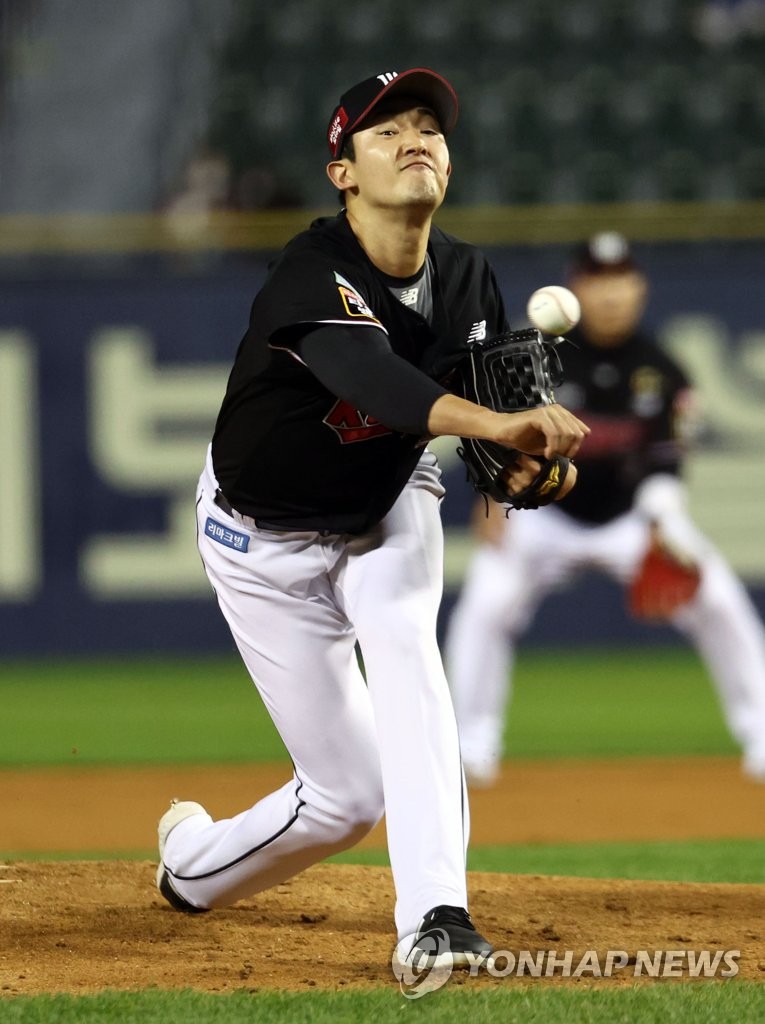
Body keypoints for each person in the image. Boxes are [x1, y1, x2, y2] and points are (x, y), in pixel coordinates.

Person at [154, 68, 589, 967]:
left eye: (429, 126)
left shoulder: (468, 277)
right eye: (386, 130)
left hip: (385, 507)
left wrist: (524, 469)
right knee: (346, 798)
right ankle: (194, 869)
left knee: (404, 643)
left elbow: (488, 450)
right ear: (342, 171)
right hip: (258, 541)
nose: (415, 139)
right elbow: (377, 385)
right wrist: (497, 423)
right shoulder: (309, 271)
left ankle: (436, 918)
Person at [445, 231, 765, 787]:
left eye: (621, 280)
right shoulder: (533, 358)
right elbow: (499, 439)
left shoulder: (665, 370)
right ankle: (470, 747)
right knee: (485, 606)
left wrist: (664, 523)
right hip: (541, 513)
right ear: (577, 287)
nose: (612, 293)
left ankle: (761, 733)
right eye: (598, 280)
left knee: (718, 597)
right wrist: (493, 497)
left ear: (640, 288)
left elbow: (666, 462)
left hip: (631, 516)